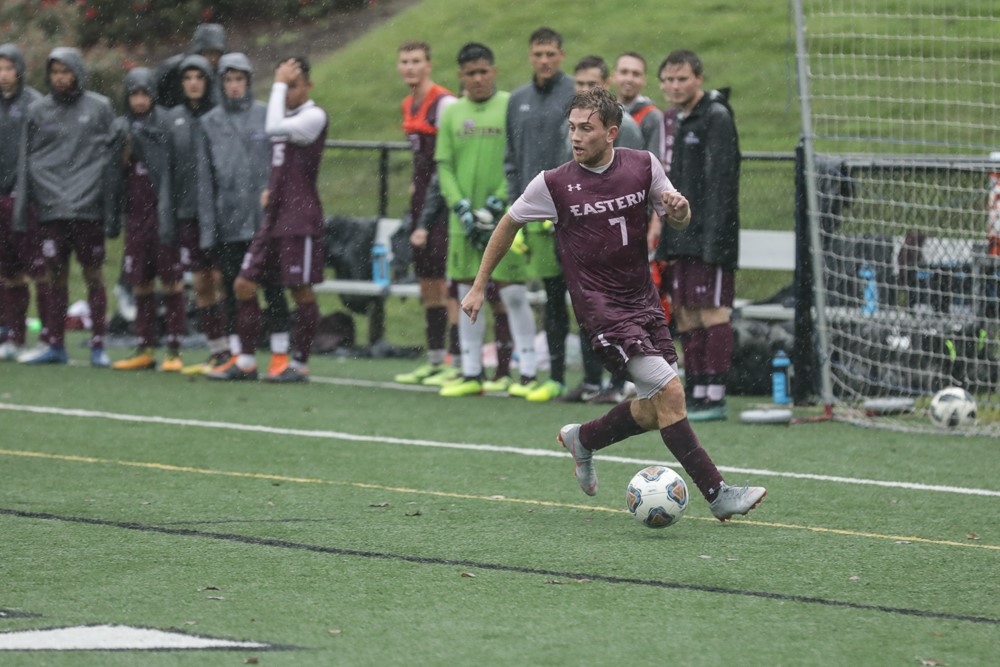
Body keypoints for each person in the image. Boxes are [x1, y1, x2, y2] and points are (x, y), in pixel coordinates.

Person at [461, 87, 765, 522]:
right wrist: (478, 285)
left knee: (653, 406)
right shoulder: (553, 183)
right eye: (572, 128)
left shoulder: (642, 165)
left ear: (611, 132)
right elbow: (507, 225)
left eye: (586, 128)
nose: (576, 137)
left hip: (644, 303)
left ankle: (584, 439)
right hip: (601, 311)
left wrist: (679, 210)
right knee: (672, 392)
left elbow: (678, 215)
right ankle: (718, 494)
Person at [434, 42, 535, 398]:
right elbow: (444, 165)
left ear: (493, 71)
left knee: (514, 293)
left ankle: (528, 372)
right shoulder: (450, 112)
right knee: (465, 291)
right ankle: (472, 371)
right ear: (461, 76)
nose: (477, 79)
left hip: (504, 218)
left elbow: (516, 159)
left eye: (483, 71)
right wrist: (460, 205)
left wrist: (497, 202)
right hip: (462, 223)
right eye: (470, 73)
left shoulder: (510, 106)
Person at [222, 56, 328, 383]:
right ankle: (247, 360)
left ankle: (299, 363)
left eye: (294, 86)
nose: (287, 92)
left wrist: (278, 83)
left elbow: (271, 128)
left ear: (308, 86)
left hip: (299, 219)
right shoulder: (285, 116)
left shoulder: (314, 115)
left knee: (300, 290)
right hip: (274, 217)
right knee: (243, 284)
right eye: (285, 86)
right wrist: (273, 188)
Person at [14, 47, 115, 367]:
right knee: (54, 276)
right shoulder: (37, 110)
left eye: (66, 71)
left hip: (88, 208)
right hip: (51, 208)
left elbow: (112, 161)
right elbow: (26, 160)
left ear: (78, 73)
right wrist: (25, 206)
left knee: (93, 275)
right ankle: (55, 343)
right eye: (55, 72)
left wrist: (110, 208)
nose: (60, 78)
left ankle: (99, 344)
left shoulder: (100, 107)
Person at [656, 50, 741, 421]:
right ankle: (696, 390)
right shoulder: (672, 119)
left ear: (699, 79)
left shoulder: (717, 117)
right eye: (669, 80)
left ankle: (715, 396)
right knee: (687, 314)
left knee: (712, 312)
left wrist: (715, 241)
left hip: (710, 237)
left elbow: (722, 184)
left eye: (682, 79)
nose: (675, 86)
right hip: (681, 234)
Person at [197, 52, 291, 381]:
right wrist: (209, 231)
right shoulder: (208, 123)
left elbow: (283, 166)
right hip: (229, 223)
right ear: (220, 84)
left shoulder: (267, 115)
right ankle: (242, 356)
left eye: (239, 79)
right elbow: (205, 181)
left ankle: (280, 354)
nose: (234, 86)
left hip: (267, 223)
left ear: (248, 81)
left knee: (275, 288)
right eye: (228, 80)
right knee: (235, 292)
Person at [504, 27, 576, 402]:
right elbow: (511, 159)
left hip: (575, 216)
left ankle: (605, 381)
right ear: (530, 56)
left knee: (588, 298)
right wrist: (520, 209)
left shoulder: (576, 94)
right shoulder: (517, 100)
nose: (545, 60)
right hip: (535, 219)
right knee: (551, 298)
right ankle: (557, 376)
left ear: (561, 54)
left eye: (551, 53)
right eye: (538, 54)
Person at [391, 40, 462, 387]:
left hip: (442, 204)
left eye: (416, 61)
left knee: (450, 284)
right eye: (404, 61)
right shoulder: (408, 103)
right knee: (428, 280)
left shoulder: (445, 103)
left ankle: (457, 359)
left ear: (429, 65)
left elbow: (448, 158)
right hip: (420, 200)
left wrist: (432, 203)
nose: (409, 67)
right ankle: (434, 358)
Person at [108, 67, 187, 372]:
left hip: (164, 217)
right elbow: (112, 177)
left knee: (172, 284)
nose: (139, 100)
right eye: (134, 94)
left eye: (144, 94)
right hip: (136, 219)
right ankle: (145, 347)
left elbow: (175, 170)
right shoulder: (120, 128)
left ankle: (174, 349)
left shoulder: (166, 124)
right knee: (140, 283)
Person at [165, 54, 230, 374]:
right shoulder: (172, 119)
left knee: (223, 278)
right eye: (187, 77)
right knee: (202, 282)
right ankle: (216, 348)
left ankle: (235, 347)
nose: (193, 83)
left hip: (218, 213)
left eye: (199, 77)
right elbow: (167, 172)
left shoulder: (220, 117)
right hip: (187, 212)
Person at [0, 43, 45, 362]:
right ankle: (13, 336)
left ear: (19, 69)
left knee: (39, 269)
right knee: (8, 272)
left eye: (8, 68)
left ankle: (47, 337)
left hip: (26, 198)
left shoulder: (36, 105)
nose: (3, 75)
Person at [612, 52, 663, 156]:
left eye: (636, 74)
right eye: (624, 72)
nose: (629, 79)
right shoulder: (603, 112)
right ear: (614, 76)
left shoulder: (653, 117)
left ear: (644, 80)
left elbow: (653, 161)